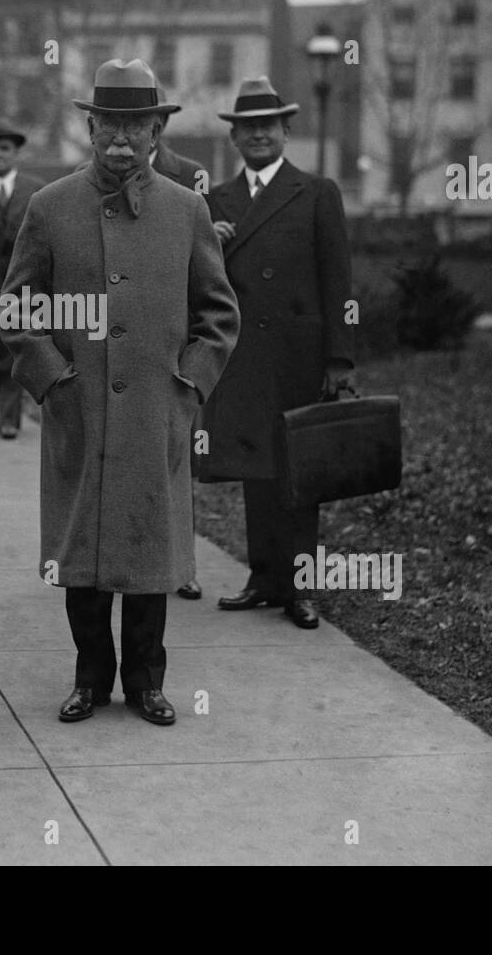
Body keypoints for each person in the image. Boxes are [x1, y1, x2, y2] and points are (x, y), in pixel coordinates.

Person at [1, 58, 239, 726]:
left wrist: (188, 387)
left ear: (157, 128)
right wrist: (53, 382)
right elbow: (18, 308)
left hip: (155, 414)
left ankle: (146, 681)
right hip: (80, 413)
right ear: (91, 124)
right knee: (81, 556)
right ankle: (89, 677)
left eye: (138, 123)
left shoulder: (187, 210)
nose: (123, 138)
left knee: (149, 553)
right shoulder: (50, 208)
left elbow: (219, 315)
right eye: (111, 122)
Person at [197, 76, 356, 630]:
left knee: (299, 474)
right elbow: (199, 284)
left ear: (287, 131)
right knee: (255, 468)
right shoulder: (215, 200)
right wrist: (207, 246)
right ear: (235, 137)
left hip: (299, 355)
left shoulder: (316, 192)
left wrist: (340, 360)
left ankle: (300, 588)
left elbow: (339, 282)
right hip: (241, 356)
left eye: (268, 125)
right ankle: (264, 578)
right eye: (248, 127)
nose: (259, 134)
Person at [149, 89, 208, 601]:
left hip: (175, 332)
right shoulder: (94, 174)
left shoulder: (188, 174)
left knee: (176, 457)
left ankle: (180, 562)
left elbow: (203, 253)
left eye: (154, 119)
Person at [0, 119, 43, 439]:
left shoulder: (36, 191)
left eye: (5, 149)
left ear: (16, 153)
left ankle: (10, 419)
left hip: (24, 285)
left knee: (15, 350)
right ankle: (5, 415)